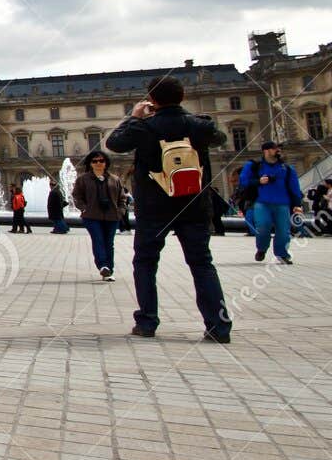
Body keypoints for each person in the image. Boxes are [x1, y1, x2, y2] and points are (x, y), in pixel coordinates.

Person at [105, 76, 231, 343]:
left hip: (154, 208)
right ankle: (218, 327)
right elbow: (219, 137)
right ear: (183, 96)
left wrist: (134, 118)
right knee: (202, 264)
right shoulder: (198, 125)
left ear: (151, 98)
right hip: (194, 205)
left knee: (146, 263)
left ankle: (147, 322)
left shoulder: (145, 127)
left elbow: (114, 143)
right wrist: (200, 120)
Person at [236, 140, 303, 265]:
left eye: (279, 149)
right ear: (265, 151)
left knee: (284, 231)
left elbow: (295, 188)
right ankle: (261, 248)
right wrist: (258, 181)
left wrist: (297, 204)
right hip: (262, 203)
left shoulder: (287, 169)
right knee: (263, 227)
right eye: (274, 148)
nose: (278, 151)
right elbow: (243, 181)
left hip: (283, 204)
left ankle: (282, 254)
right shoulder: (253, 165)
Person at [71, 149, 125, 281]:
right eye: (94, 161)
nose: (98, 163)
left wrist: (120, 211)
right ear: (90, 163)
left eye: (101, 160)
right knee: (98, 240)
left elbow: (122, 198)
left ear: (106, 163)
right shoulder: (83, 179)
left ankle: (109, 270)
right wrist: (84, 209)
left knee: (109, 243)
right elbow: (77, 196)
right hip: (91, 216)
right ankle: (103, 266)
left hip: (112, 216)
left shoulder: (114, 179)